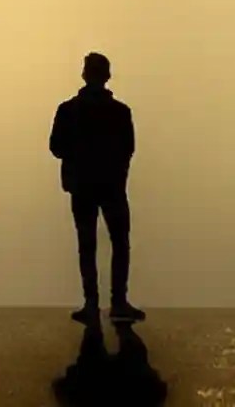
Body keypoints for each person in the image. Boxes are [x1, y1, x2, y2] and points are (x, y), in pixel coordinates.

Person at [49, 52, 146, 324]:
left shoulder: (68, 110)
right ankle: (118, 301)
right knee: (120, 243)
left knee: (87, 244)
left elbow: (56, 147)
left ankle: (92, 303)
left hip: (82, 185)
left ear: (84, 74)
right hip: (112, 185)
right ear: (107, 76)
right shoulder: (120, 112)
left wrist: (79, 156)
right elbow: (128, 148)